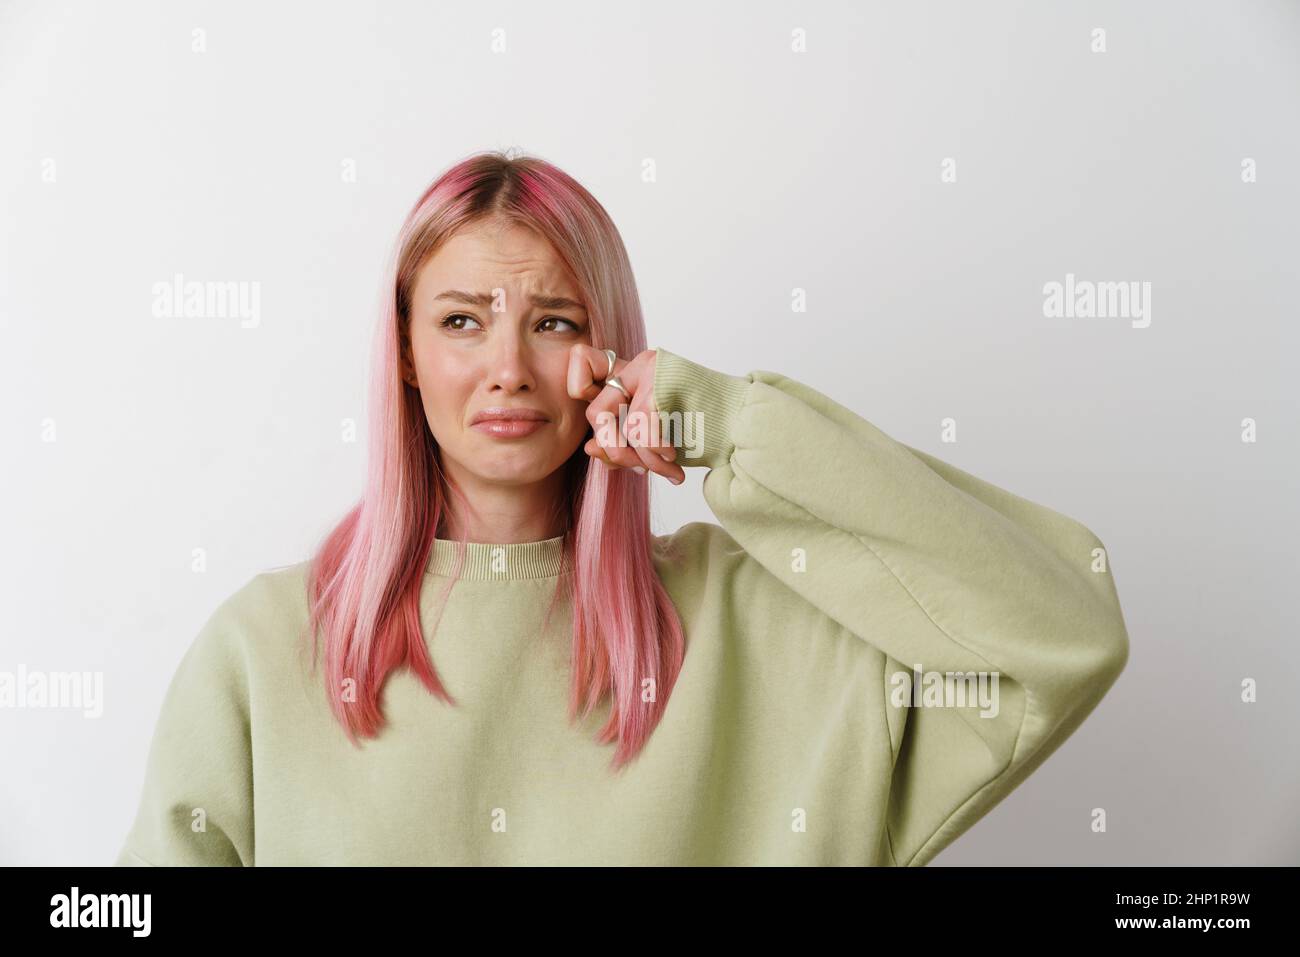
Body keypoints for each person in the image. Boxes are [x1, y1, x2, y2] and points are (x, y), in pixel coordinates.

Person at [114, 150, 1130, 866]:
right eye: (462, 320)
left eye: (553, 321)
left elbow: (1064, 630)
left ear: (611, 350)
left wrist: (730, 429)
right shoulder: (265, 646)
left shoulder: (757, 617)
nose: (508, 369)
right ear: (408, 357)